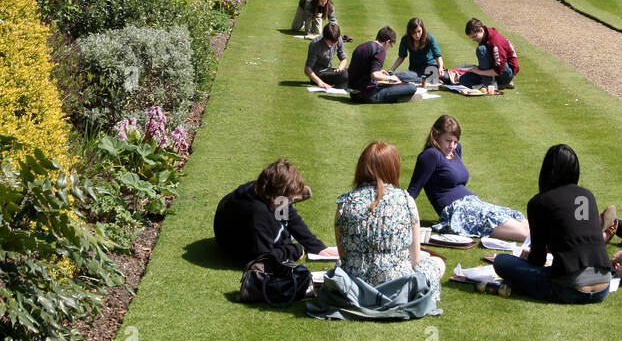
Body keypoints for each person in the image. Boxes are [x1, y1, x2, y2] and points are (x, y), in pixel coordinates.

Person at [307, 142, 445, 320]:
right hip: (398, 289)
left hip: (354, 289)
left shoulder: (345, 203)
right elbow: (415, 260)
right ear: (392, 168)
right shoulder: (406, 200)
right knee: (437, 263)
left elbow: (344, 255)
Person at [492, 145, 612, 303]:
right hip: (604, 287)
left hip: (570, 288)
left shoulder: (539, 202)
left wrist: (529, 256)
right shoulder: (587, 195)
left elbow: (538, 260)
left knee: (501, 261)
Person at [407, 114, 529, 240]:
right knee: (524, 232)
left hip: (473, 203)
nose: (451, 146)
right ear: (436, 135)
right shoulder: (430, 155)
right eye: (448, 141)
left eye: (455, 142)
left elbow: (456, 177)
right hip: (458, 212)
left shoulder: (456, 150)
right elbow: (413, 191)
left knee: (524, 222)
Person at [213, 158, 338, 264]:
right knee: (280, 235)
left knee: (283, 219)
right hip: (233, 243)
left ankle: (295, 194)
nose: (286, 203)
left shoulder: (261, 187)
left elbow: (290, 217)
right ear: (278, 194)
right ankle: (295, 194)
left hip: (232, 218)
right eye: (288, 197)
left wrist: (315, 246)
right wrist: (294, 250)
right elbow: (262, 259)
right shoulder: (259, 214)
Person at [347, 26, 420, 103]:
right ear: (387, 42)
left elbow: (361, 68)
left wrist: (380, 71)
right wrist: (391, 78)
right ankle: (399, 98)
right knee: (411, 87)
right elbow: (374, 75)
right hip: (367, 95)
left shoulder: (361, 46)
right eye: (390, 45)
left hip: (353, 94)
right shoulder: (380, 50)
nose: (388, 48)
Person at [458, 18, 519, 90]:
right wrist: (477, 69)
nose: (473, 40)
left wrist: (479, 71)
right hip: (496, 70)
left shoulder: (495, 41)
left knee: (481, 49)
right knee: (463, 80)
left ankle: (490, 84)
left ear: (481, 30)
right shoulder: (485, 37)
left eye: (474, 36)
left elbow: (498, 70)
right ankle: (496, 84)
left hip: (506, 74)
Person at [392, 17, 445, 87]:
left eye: (419, 31)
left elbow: (438, 56)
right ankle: (428, 80)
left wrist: (440, 67)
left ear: (423, 29)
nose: (417, 35)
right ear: (409, 32)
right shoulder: (405, 39)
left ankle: (424, 80)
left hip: (430, 67)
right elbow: (401, 56)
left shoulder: (429, 37)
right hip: (415, 69)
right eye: (414, 32)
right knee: (400, 75)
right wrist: (392, 69)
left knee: (445, 77)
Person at [304, 22, 349, 90]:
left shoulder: (338, 39)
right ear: (325, 38)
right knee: (344, 75)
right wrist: (320, 82)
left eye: (335, 42)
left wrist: (340, 68)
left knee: (351, 71)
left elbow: (344, 58)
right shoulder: (315, 44)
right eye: (331, 42)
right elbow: (307, 69)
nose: (333, 44)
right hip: (318, 74)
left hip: (329, 70)